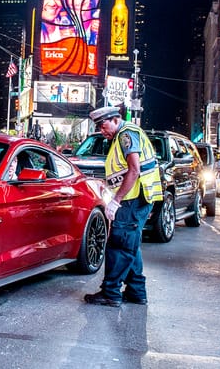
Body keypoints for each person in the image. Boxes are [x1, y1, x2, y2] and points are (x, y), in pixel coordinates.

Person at [83, 106, 164, 307]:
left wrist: (116, 200)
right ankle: (137, 292)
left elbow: (134, 170)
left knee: (119, 245)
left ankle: (110, 293)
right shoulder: (126, 134)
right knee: (130, 245)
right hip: (138, 198)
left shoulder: (126, 135)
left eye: (104, 126)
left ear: (115, 120)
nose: (103, 131)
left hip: (132, 199)